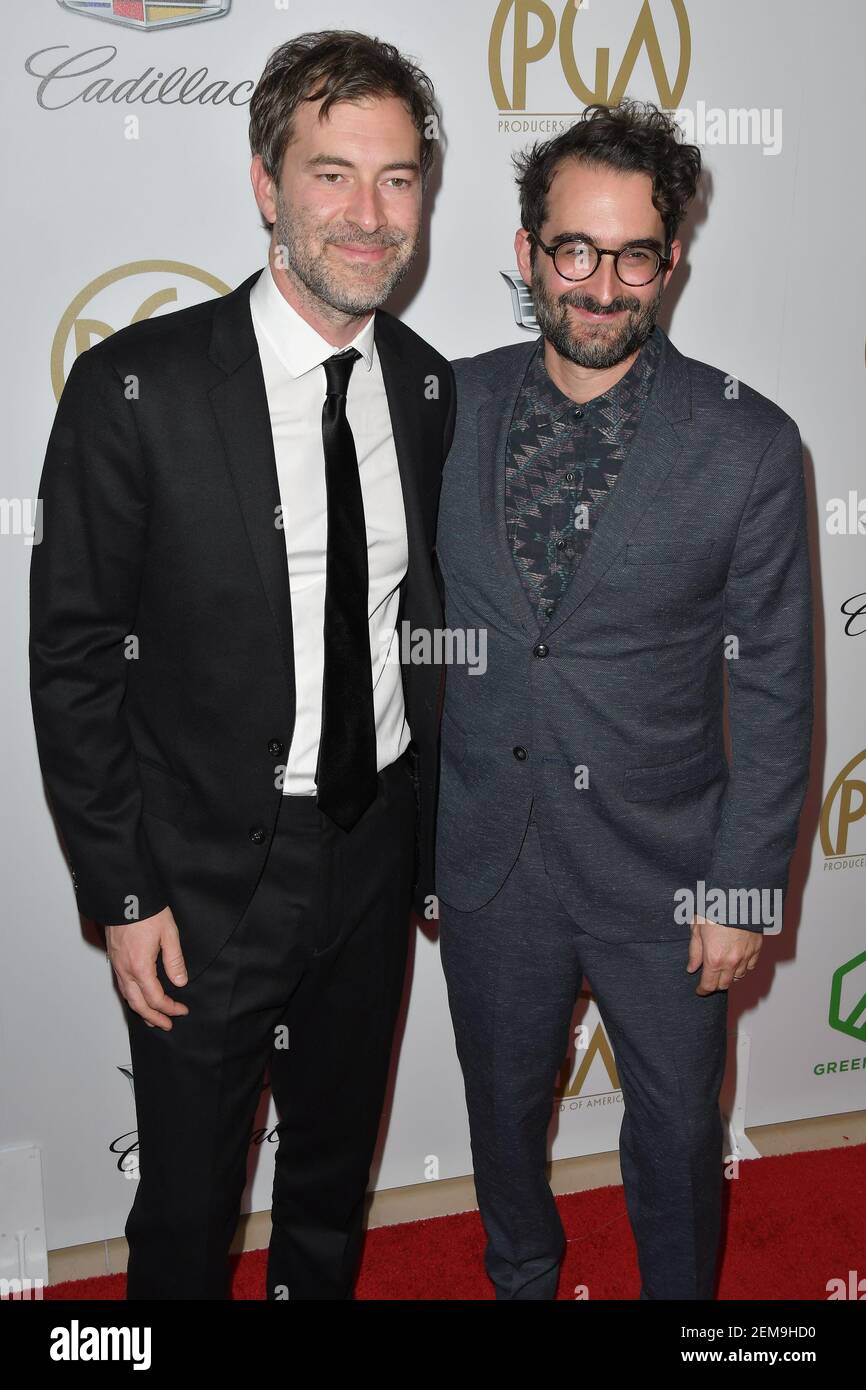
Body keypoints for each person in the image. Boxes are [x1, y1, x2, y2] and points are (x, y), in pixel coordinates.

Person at [29, 29, 454, 1301]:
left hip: (372, 847)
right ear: (266, 185)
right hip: (202, 876)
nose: (368, 214)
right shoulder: (132, 388)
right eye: (331, 174)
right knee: (188, 1205)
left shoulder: (427, 392)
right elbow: (75, 656)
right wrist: (121, 888)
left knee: (330, 1176)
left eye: (395, 178)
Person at [434, 100, 813, 1300]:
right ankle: (523, 1281)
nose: (599, 285)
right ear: (525, 248)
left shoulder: (750, 443)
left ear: (671, 262)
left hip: (672, 870)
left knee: (676, 1137)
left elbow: (774, 681)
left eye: (632, 253)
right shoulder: (441, 409)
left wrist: (743, 886)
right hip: (488, 858)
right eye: (572, 250)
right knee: (500, 1127)